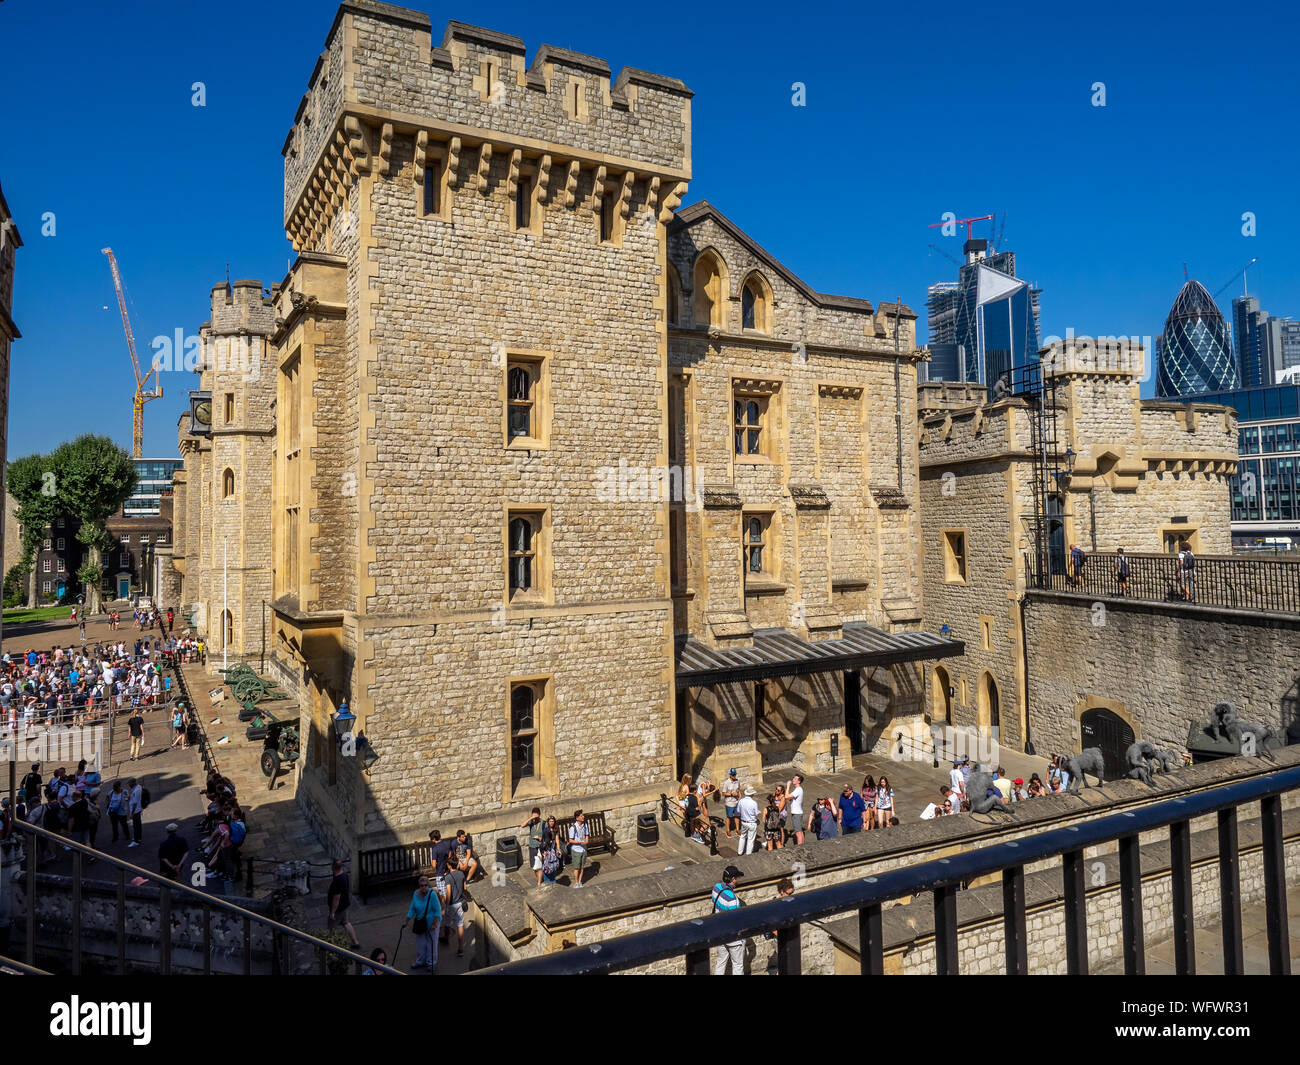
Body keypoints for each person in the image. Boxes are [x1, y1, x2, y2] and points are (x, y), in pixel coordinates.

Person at [402, 875, 442, 972]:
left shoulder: (432, 894)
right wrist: (406, 920)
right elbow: (412, 908)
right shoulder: (415, 894)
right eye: (421, 886)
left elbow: (437, 910)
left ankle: (431, 963)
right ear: (419, 886)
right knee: (420, 943)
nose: (424, 888)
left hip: (432, 922)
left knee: (431, 944)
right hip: (421, 922)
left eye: (425, 885)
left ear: (428, 885)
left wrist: (434, 924)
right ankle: (420, 961)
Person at [710, 865, 744, 975]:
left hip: (719, 932)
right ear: (733, 879)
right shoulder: (733, 900)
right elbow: (735, 919)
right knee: (738, 965)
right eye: (737, 878)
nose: (738, 880)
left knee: (721, 961)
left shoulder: (716, 888)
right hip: (733, 936)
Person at [327, 858, 360, 948]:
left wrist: (332, 913)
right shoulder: (344, 875)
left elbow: (336, 898)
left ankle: (334, 949)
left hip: (338, 909)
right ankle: (355, 942)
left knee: (332, 928)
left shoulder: (337, 881)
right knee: (346, 923)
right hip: (345, 905)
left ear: (333, 867)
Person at [441, 857, 468, 958]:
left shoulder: (448, 877)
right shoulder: (461, 874)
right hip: (460, 902)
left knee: (447, 923)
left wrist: (446, 906)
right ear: (457, 864)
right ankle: (461, 949)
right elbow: (465, 887)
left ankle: (446, 939)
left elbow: (448, 892)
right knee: (460, 925)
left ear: (448, 865)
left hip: (452, 904)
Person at [735, 785, 760, 855]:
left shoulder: (741, 801)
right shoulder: (754, 803)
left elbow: (738, 811)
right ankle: (748, 854)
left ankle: (739, 852)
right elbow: (756, 814)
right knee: (750, 839)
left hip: (743, 822)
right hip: (751, 823)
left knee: (742, 836)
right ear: (752, 794)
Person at [567, 809, 590, 887]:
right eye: (581, 816)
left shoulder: (585, 825)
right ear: (577, 818)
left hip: (583, 849)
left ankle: (580, 881)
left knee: (582, 867)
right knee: (577, 868)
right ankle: (576, 883)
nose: (583, 816)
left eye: (583, 815)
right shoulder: (573, 828)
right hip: (576, 850)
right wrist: (579, 842)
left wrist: (586, 841)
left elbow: (587, 835)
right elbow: (570, 840)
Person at [720, 768, 741, 839]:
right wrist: (732, 794)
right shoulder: (726, 783)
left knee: (737, 816)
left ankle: (737, 829)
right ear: (729, 775)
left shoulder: (737, 781)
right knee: (729, 816)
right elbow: (723, 793)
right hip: (729, 802)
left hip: (736, 802)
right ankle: (728, 830)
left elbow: (739, 790)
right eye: (732, 775)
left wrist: (740, 799)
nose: (734, 776)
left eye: (735, 774)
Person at [785, 774, 805, 845]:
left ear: (799, 781)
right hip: (797, 812)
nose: (793, 779)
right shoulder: (797, 790)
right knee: (800, 831)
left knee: (798, 832)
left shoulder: (798, 789)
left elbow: (786, 796)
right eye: (793, 778)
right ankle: (803, 845)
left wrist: (788, 786)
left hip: (797, 813)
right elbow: (791, 798)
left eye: (795, 779)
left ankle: (800, 847)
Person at [127, 777, 143, 847]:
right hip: (138, 809)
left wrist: (131, 814)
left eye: (129, 783)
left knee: (136, 826)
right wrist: (130, 797)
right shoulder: (138, 787)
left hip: (136, 810)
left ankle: (136, 841)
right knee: (138, 825)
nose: (128, 785)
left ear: (133, 783)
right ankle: (138, 838)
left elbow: (135, 804)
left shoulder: (137, 790)